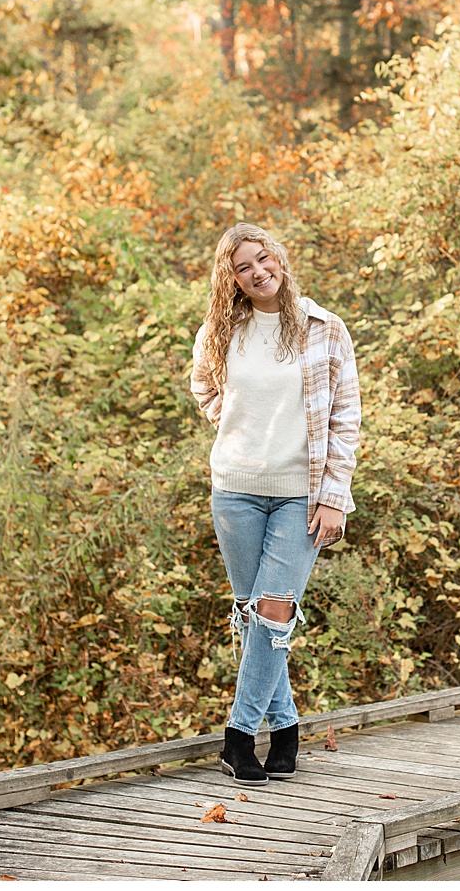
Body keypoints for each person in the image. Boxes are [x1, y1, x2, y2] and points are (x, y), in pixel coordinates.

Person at [190, 223, 361, 784]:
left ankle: (238, 736)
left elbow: (345, 419)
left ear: (279, 259)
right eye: (244, 266)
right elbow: (204, 390)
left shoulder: (325, 328)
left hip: (299, 496)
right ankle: (285, 728)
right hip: (234, 491)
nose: (258, 271)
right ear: (231, 279)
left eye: (263, 259)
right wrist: (240, 433)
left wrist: (334, 498)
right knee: (255, 614)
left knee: (274, 609)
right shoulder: (220, 329)